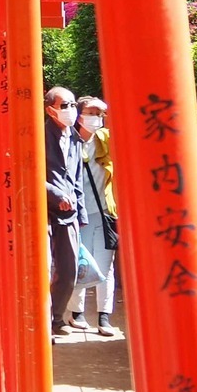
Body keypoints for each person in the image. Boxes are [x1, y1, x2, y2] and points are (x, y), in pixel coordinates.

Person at [72, 97, 119, 336]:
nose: (97, 118)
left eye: (101, 113)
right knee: (79, 262)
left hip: (104, 212)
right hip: (78, 212)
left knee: (105, 265)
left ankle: (104, 316)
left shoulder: (107, 140)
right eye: (92, 112)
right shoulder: (69, 141)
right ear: (80, 114)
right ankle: (76, 312)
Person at [43, 86, 88, 337]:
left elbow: (77, 178)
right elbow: (27, 172)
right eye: (64, 106)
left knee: (69, 270)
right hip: (43, 210)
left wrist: (80, 213)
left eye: (73, 105)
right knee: (44, 268)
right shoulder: (39, 135)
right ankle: (44, 319)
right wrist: (54, 194)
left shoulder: (74, 137)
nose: (70, 110)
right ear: (50, 109)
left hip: (69, 214)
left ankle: (57, 316)